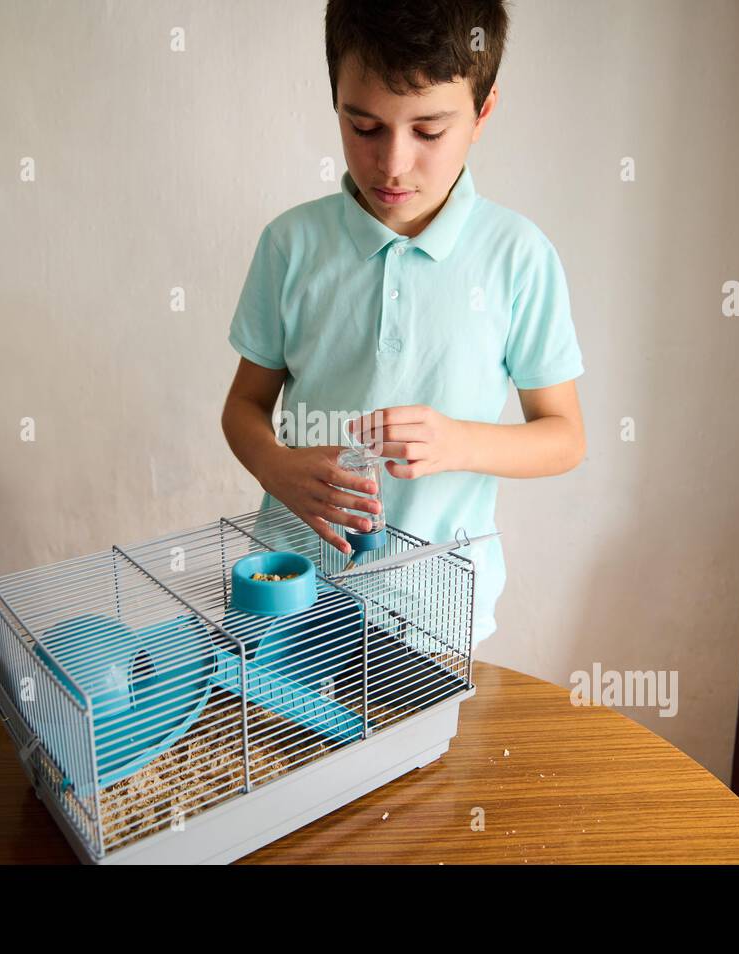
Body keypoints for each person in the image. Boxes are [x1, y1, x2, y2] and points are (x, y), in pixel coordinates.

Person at [222, 0, 586, 644]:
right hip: (288, 588)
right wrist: (275, 466)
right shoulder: (290, 244)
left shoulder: (518, 256)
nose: (392, 164)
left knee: (420, 748)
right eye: (364, 127)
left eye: (428, 131)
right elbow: (243, 407)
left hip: (432, 610)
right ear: (335, 99)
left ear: (483, 112)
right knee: (271, 739)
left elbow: (564, 437)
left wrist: (459, 442)